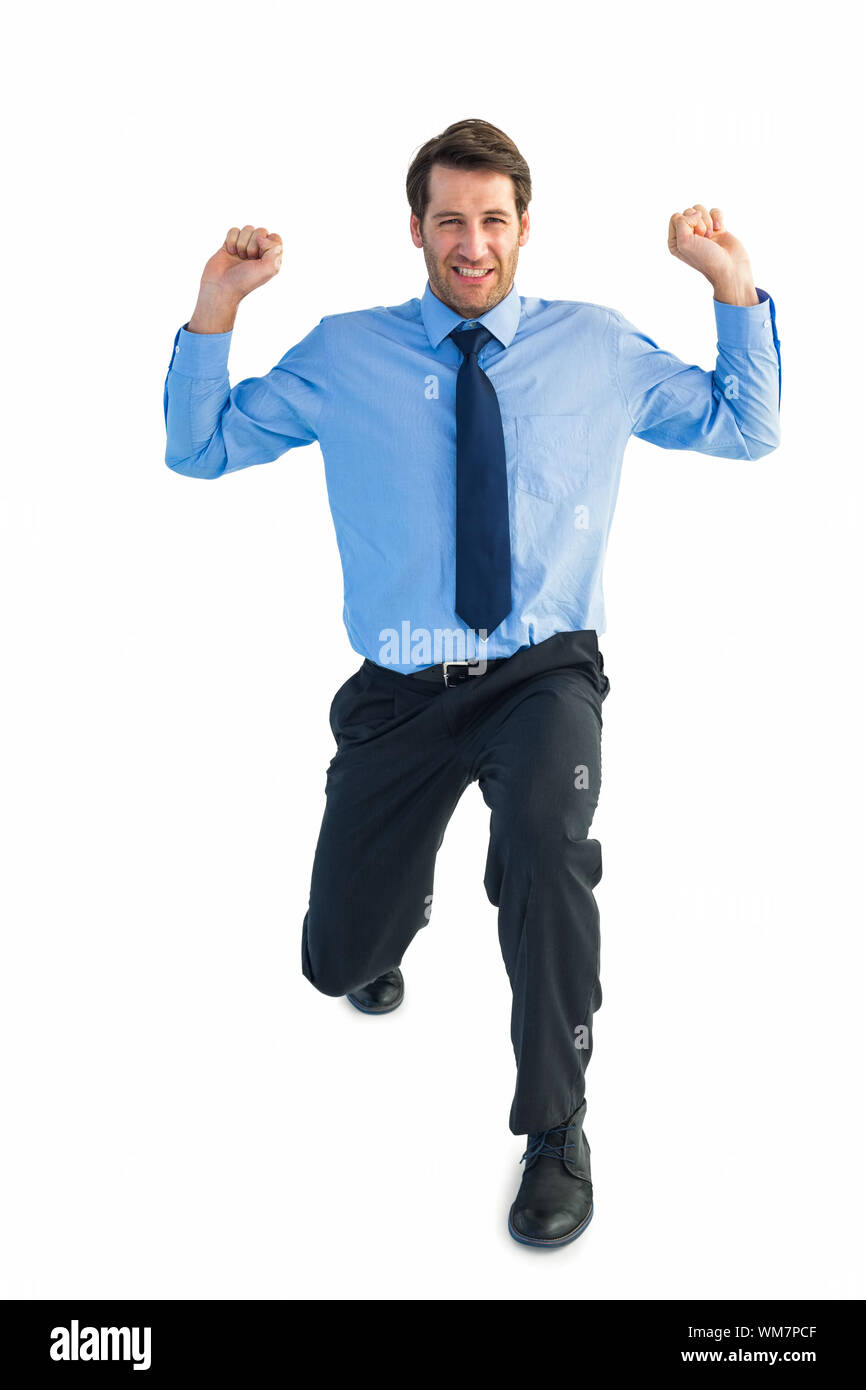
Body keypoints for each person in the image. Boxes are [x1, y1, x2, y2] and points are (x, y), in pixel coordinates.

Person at [163, 117, 781, 1248]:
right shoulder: (345, 354)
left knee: (543, 849)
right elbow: (198, 446)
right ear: (416, 229)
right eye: (448, 218)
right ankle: (393, 906)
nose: (470, 241)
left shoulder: (593, 347)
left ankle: (556, 1131)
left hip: (543, 673)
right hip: (398, 688)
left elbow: (747, 428)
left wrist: (729, 286)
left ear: (522, 227)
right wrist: (220, 305)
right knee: (336, 959)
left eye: (491, 218)